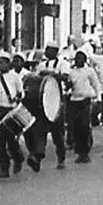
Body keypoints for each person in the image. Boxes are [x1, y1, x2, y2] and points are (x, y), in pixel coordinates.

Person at [31, 42, 69, 171]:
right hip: (43, 102)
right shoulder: (41, 65)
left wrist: (52, 74)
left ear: (55, 51)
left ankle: (61, 158)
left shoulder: (62, 63)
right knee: (41, 131)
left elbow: (65, 77)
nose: (47, 51)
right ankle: (38, 157)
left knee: (57, 133)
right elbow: (35, 79)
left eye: (49, 50)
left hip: (57, 101)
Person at [0, 51, 25, 178]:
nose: (0, 65)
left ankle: (18, 158)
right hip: (0, 111)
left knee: (11, 139)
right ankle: (4, 168)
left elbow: (21, 92)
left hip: (12, 111)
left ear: (8, 64)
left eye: (2, 63)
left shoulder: (15, 76)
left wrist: (18, 97)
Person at [65, 49, 101, 164]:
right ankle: (79, 151)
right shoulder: (72, 72)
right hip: (74, 100)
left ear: (85, 60)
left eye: (81, 58)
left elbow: (96, 84)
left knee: (84, 125)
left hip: (85, 100)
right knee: (75, 127)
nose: (78, 60)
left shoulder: (89, 71)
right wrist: (68, 86)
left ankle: (85, 152)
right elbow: (68, 86)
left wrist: (98, 98)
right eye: (76, 58)